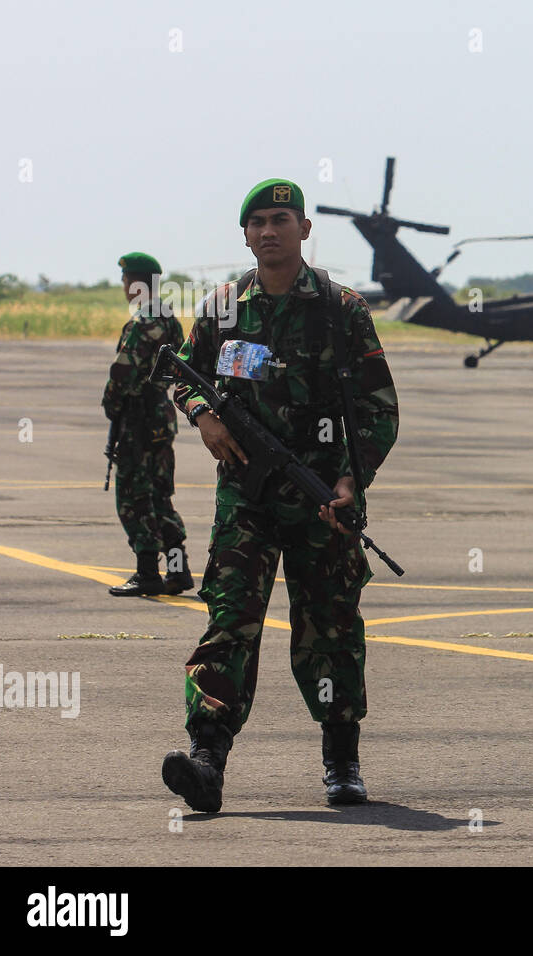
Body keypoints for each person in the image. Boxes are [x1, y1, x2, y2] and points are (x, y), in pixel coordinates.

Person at [161, 179, 399, 812]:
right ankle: (206, 758)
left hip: (324, 497)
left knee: (329, 627)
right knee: (230, 618)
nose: (270, 230)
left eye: (282, 219)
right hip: (247, 498)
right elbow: (181, 374)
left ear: (304, 229)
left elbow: (379, 409)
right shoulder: (222, 307)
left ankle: (341, 760)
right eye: (259, 222)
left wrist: (352, 479)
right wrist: (204, 418)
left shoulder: (339, 308)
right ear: (246, 235)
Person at [103, 253, 194, 597]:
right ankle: (177, 569)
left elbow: (122, 372)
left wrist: (112, 406)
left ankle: (147, 573)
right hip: (160, 414)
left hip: (136, 419)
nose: (124, 286)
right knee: (160, 496)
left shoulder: (142, 321)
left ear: (135, 283)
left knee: (134, 497)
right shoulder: (169, 318)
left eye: (126, 280)